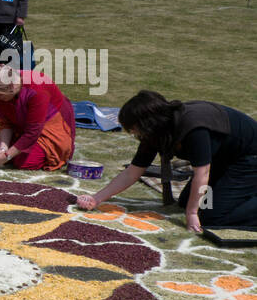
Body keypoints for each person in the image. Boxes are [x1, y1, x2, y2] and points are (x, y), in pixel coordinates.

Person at [77, 91, 257, 232]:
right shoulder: (158, 131)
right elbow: (133, 171)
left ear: (147, 125)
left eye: (134, 130)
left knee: (211, 217)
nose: (135, 135)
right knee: (189, 201)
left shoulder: (194, 128)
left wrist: (192, 214)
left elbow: (202, 174)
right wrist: (96, 198)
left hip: (249, 159)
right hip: (224, 159)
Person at [0, 63, 75, 170]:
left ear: (11, 87)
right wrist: (2, 150)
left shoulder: (37, 89)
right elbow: (5, 122)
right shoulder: (1, 93)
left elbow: (33, 132)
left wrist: (7, 156)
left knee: (24, 162)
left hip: (47, 128)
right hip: (22, 127)